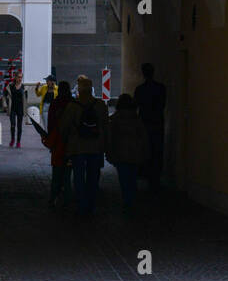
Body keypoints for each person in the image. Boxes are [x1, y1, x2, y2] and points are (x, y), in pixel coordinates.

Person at [59, 75, 108, 216]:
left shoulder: (73, 106)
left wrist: (64, 143)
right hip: (96, 147)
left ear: (79, 90)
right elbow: (105, 126)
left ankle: (81, 204)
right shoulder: (100, 106)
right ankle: (91, 204)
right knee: (93, 176)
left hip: (77, 147)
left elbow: (64, 127)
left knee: (79, 176)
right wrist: (106, 144)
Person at [106, 94, 150, 215]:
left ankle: (127, 202)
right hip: (135, 153)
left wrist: (109, 152)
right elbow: (143, 136)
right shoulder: (136, 119)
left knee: (124, 179)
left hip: (120, 153)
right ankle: (132, 200)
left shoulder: (115, 119)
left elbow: (110, 137)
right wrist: (144, 151)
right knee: (132, 178)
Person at [134, 63, 167, 193]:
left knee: (146, 151)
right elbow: (163, 104)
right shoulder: (161, 88)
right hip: (157, 122)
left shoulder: (140, 89)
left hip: (145, 123)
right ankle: (155, 179)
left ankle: (146, 175)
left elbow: (136, 105)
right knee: (157, 151)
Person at [45, 79, 73, 209]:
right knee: (68, 174)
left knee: (56, 174)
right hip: (72, 144)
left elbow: (51, 123)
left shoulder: (55, 104)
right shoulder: (73, 104)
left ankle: (53, 198)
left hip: (57, 143)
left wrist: (49, 140)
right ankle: (68, 199)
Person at [8, 71, 25, 148]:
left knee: (19, 126)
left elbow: (25, 99)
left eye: (21, 77)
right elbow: (5, 95)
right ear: (15, 77)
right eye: (18, 77)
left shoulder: (23, 87)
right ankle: (12, 139)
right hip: (13, 108)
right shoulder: (11, 86)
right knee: (12, 125)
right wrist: (6, 104)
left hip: (20, 108)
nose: (20, 79)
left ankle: (18, 141)